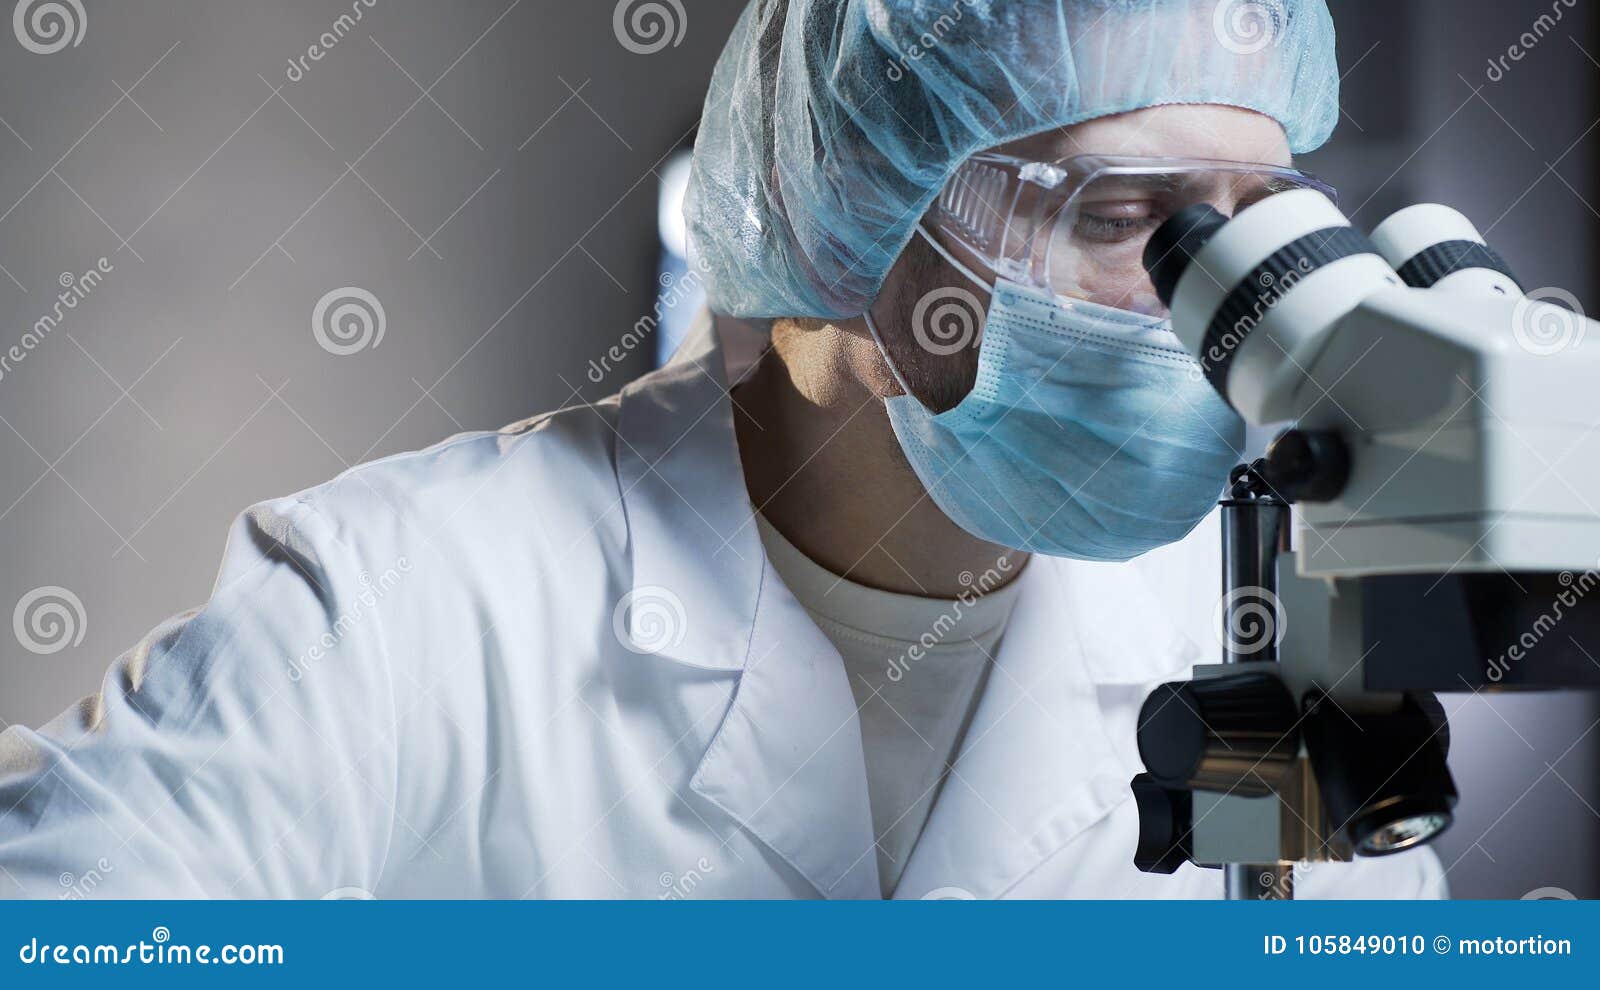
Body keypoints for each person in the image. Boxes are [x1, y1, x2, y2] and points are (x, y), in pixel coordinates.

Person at [0, 0, 1444, 899]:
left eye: (1258, 219)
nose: (1227, 306)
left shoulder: (1253, 635)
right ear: (854, 232)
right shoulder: (399, 603)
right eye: (1135, 223)